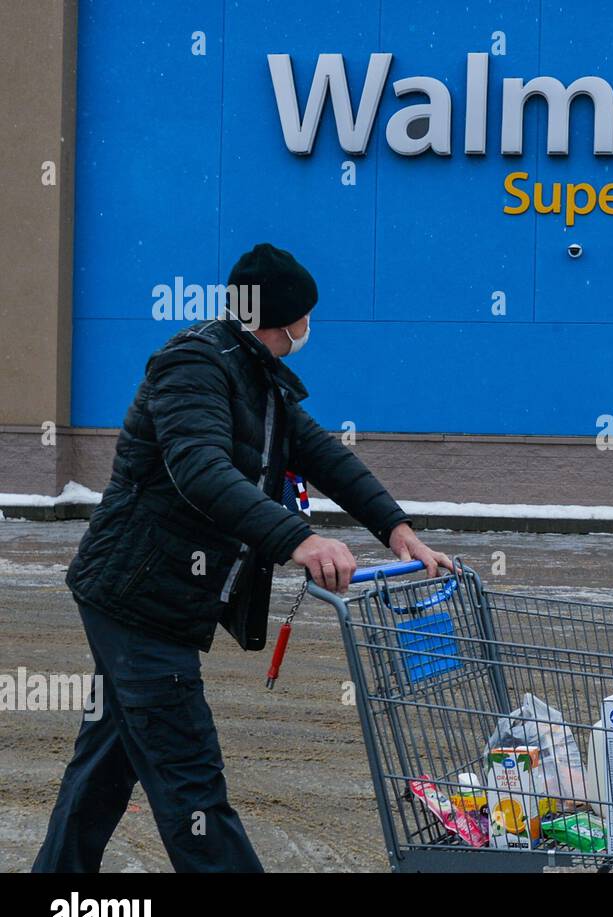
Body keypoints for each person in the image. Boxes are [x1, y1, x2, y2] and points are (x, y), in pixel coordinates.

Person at [32, 242, 452, 872]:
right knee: (188, 781)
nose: (311, 327)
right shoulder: (194, 364)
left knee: (107, 761)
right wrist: (299, 539)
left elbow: (325, 457)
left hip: (158, 597)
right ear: (282, 320)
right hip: (138, 596)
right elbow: (199, 469)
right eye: (306, 315)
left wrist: (397, 530)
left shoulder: (260, 380)